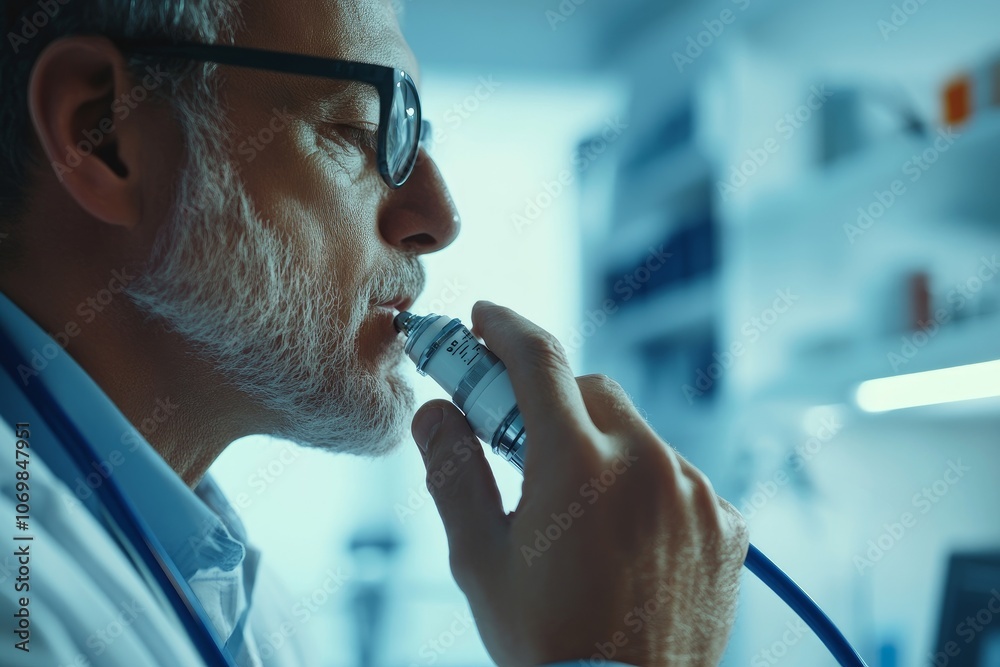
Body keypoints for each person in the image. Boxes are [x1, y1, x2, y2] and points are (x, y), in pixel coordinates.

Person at [0, 0, 749, 665]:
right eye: (360, 128)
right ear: (102, 135)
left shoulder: (227, 587)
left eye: (416, 136)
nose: (439, 217)